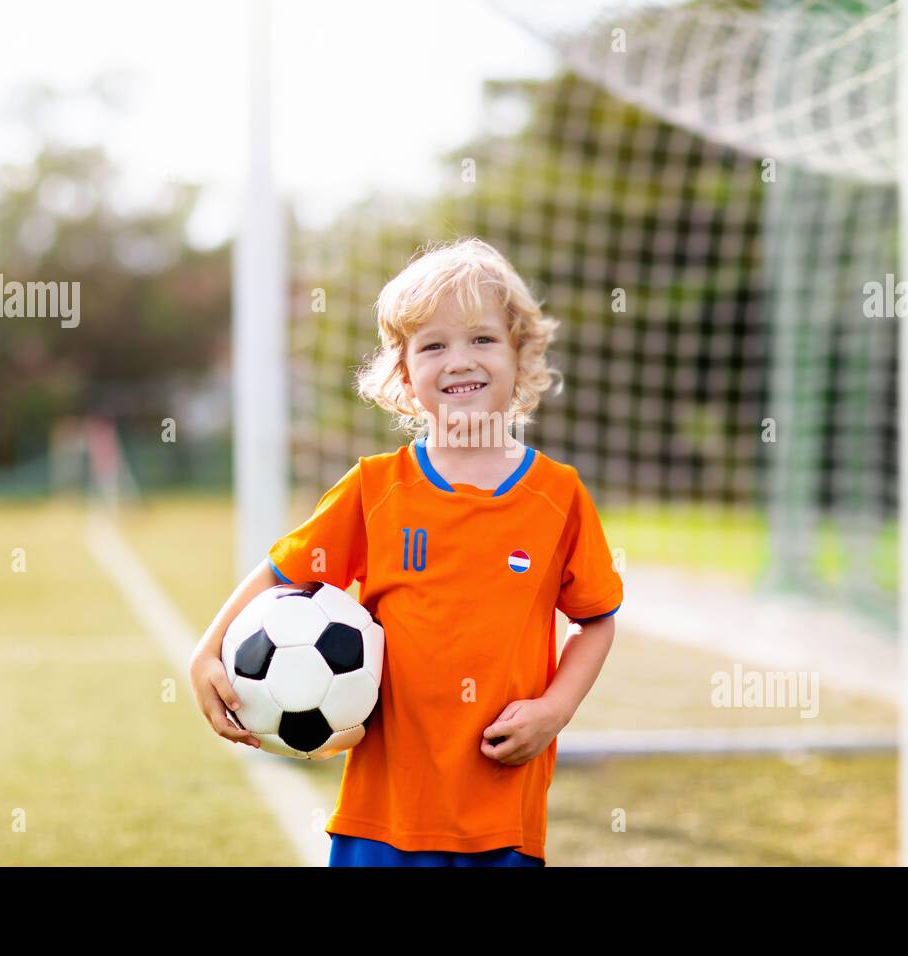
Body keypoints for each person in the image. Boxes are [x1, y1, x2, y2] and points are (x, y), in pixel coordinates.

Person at [189, 237, 623, 867]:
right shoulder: (374, 489)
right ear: (404, 373)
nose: (458, 361)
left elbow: (596, 619)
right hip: (380, 819)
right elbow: (280, 571)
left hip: (501, 819)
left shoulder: (558, 496)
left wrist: (555, 710)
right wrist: (207, 650)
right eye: (433, 345)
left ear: (521, 354)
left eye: (481, 339)